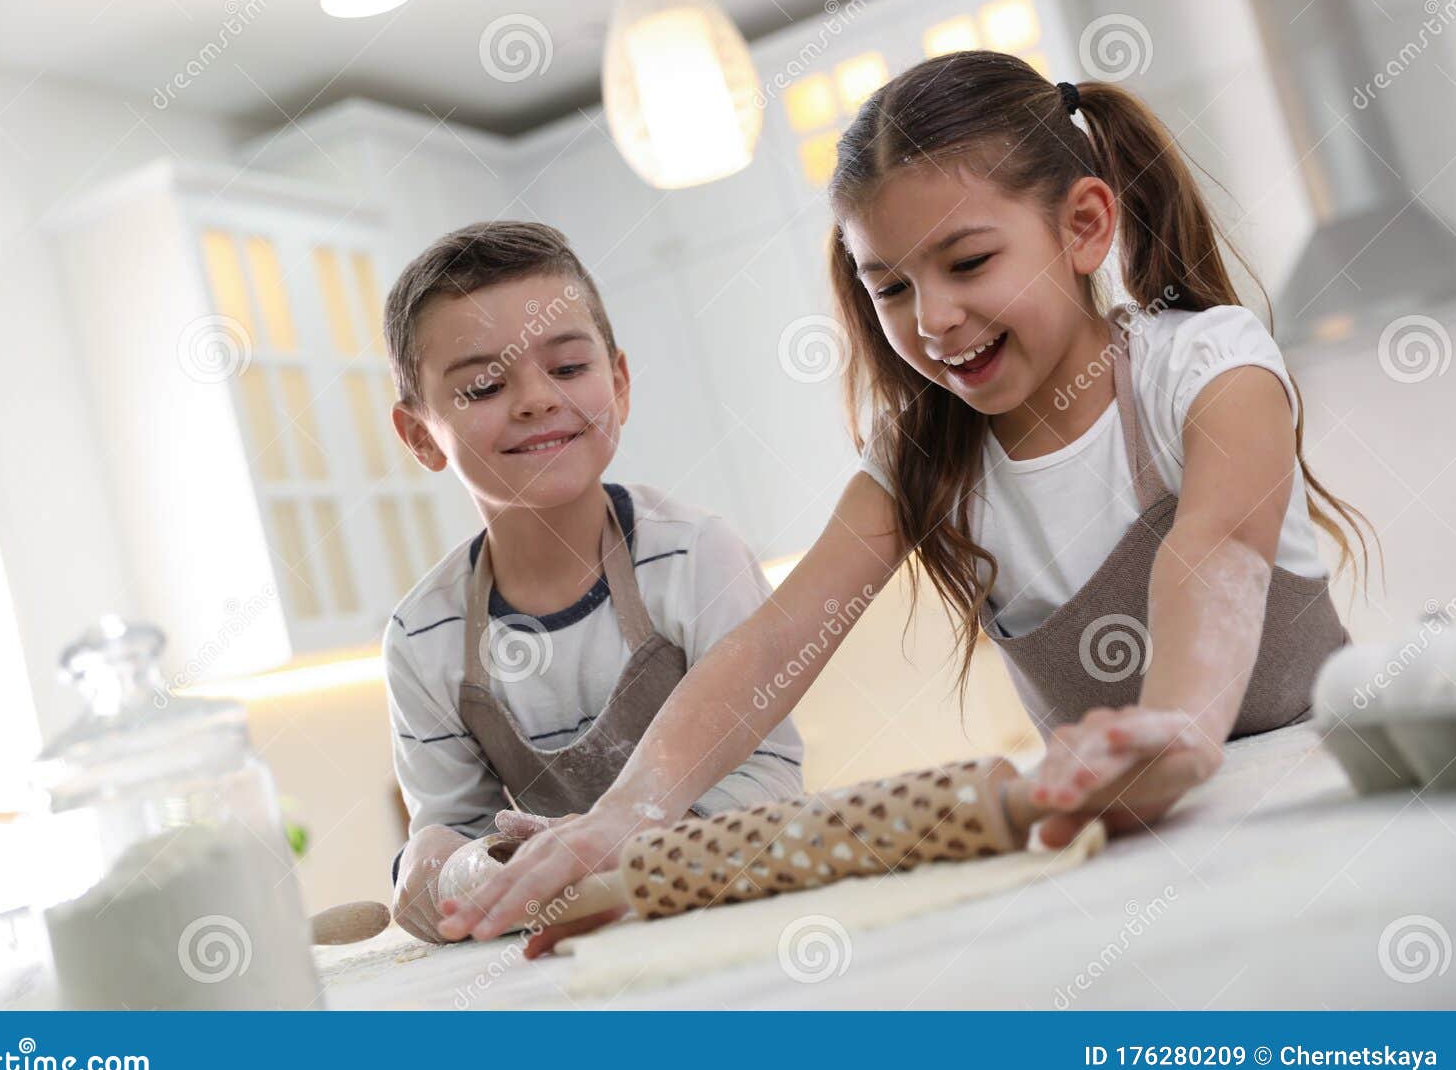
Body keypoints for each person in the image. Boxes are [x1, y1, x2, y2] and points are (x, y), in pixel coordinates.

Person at [438, 51, 1372, 953]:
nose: (932, 319)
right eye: (890, 285)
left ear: (1084, 225)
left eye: (967, 263)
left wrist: (1175, 728)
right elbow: (771, 645)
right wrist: (623, 818)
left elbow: (1215, 556)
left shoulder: (1206, 365)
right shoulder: (925, 457)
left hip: (1324, 803)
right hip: (1122, 847)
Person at [381, 221, 804, 943]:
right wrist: (438, 862)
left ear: (621, 382)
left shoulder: (695, 556)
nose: (537, 399)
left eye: (569, 368)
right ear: (421, 435)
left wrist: (621, 855)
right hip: (574, 950)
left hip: (743, 912)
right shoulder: (423, 637)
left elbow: (767, 775)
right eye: (484, 384)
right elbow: (456, 832)